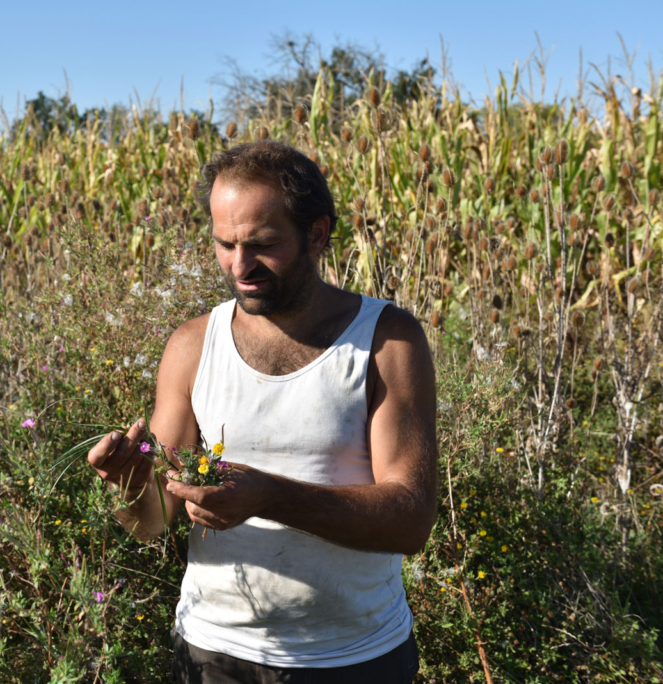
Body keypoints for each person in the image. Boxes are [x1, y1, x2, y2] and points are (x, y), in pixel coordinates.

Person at [87, 140, 437, 683]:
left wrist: (268, 497)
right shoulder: (192, 346)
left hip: (353, 659)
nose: (240, 265)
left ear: (317, 234)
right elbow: (152, 524)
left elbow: (411, 520)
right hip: (213, 654)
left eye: (263, 244)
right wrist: (132, 484)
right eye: (224, 244)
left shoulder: (387, 341)